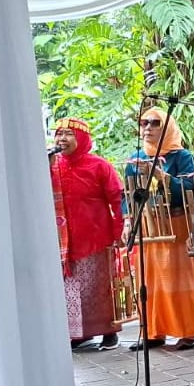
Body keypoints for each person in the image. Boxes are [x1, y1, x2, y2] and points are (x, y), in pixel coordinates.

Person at [126, 108, 194, 351]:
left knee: (179, 278)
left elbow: (192, 188)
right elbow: (128, 195)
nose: (147, 128)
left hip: (176, 225)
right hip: (148, 226)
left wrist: (163, 176)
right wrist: (128, 220)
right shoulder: (136, 158)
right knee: (150, 280)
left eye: (155, 123)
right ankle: (153, 332)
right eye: (144, 123)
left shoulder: (181, 156)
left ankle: (188, 332)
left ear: (167, 126)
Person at [50, 118, 125, 349]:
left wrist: (119, 230)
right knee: (72, 288)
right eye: (59, 134)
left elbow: (118, 198)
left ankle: (108, 332)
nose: (62, 139)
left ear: (81, 138)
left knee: (98, 287)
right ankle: (80, 333)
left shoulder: (99, 165)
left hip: (96, 237)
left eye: (68, 134)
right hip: (64, 240)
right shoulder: (52, 165)